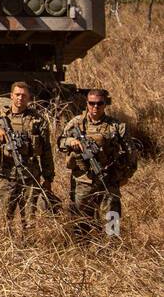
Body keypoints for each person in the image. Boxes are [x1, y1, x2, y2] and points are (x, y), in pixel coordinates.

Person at [59, 88, 139, 239]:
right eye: (91, 103)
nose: (95, 107)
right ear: (87, 103)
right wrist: (72, 141)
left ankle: (113, 250)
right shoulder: (76, 123)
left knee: (112, 217)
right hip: (83, 180)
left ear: (105, 104)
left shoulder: (116, 126)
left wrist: (126, 175)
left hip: (109, 179)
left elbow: (131, 154)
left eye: (99, 103)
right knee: (80, 219)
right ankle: (81, 252)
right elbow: (61, 142)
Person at [0, 82, 53, 224]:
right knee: (2, 220)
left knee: (29, 221)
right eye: (17, 95)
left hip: (30, 177)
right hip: (5, 177)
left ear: (29, 98)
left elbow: (46, 151)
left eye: (24, 95)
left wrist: (48, 178)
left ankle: (28, 244)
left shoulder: (37, 120)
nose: (20, 98)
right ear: (11, 96)